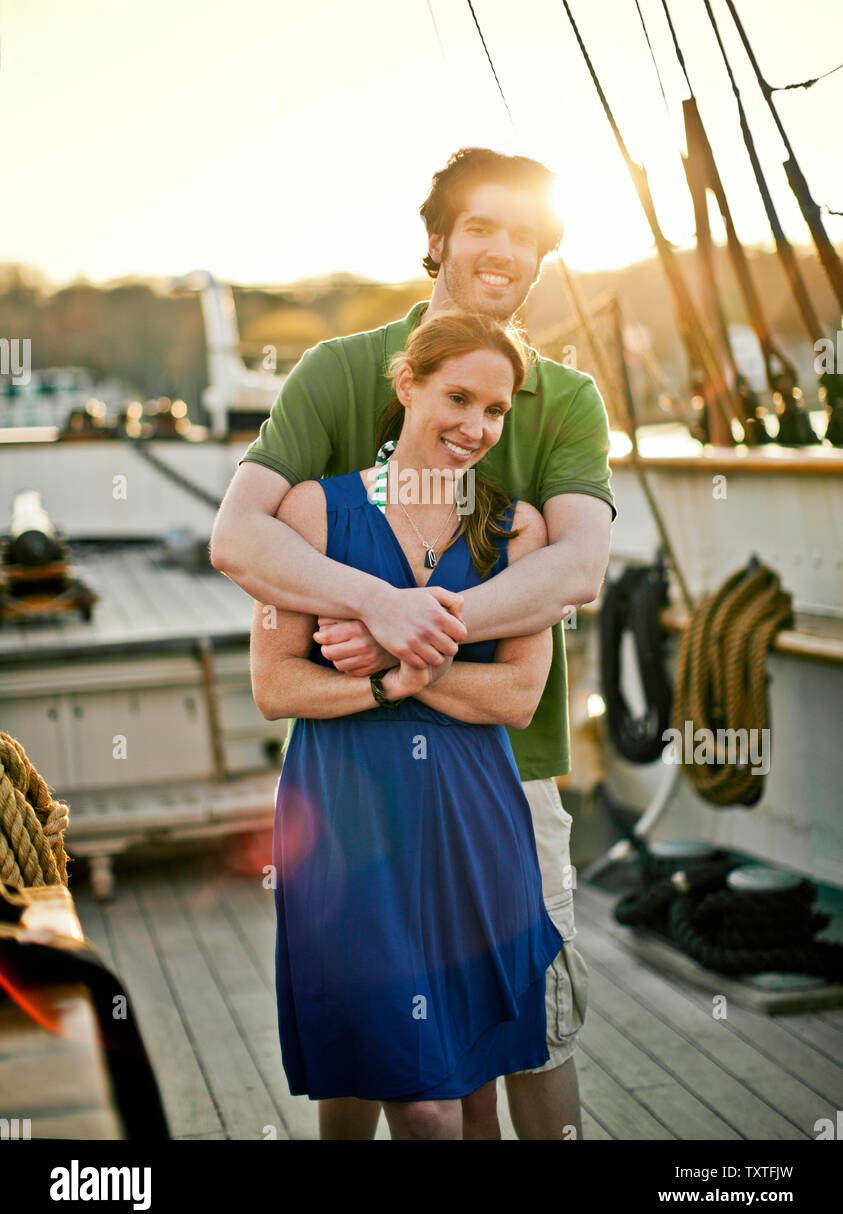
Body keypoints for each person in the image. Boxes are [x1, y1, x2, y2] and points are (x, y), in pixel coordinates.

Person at [211, 147, 616, 1139]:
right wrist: (375, 601)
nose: (502, 250)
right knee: (361, 1036)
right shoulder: (339, 372)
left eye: (524, 235)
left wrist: (418, 635)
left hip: (508, 775)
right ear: (437, 236)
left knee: (533, 1032)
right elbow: (241, 534)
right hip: (357, 776)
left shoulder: (563, 398)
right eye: (481, 226)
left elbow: (577, 569)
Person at [252, 312, 566, 1139]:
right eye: (457, 397)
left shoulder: (517, 530)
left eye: (495, 411)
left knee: (474, 1094)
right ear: (407, 384)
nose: (475, 427)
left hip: (474, 825)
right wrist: (397, 686)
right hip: (348, 825)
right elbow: (275, 684)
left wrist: (407, 662)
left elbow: (517, 698)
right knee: (413, 1095)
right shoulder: (311, 514)